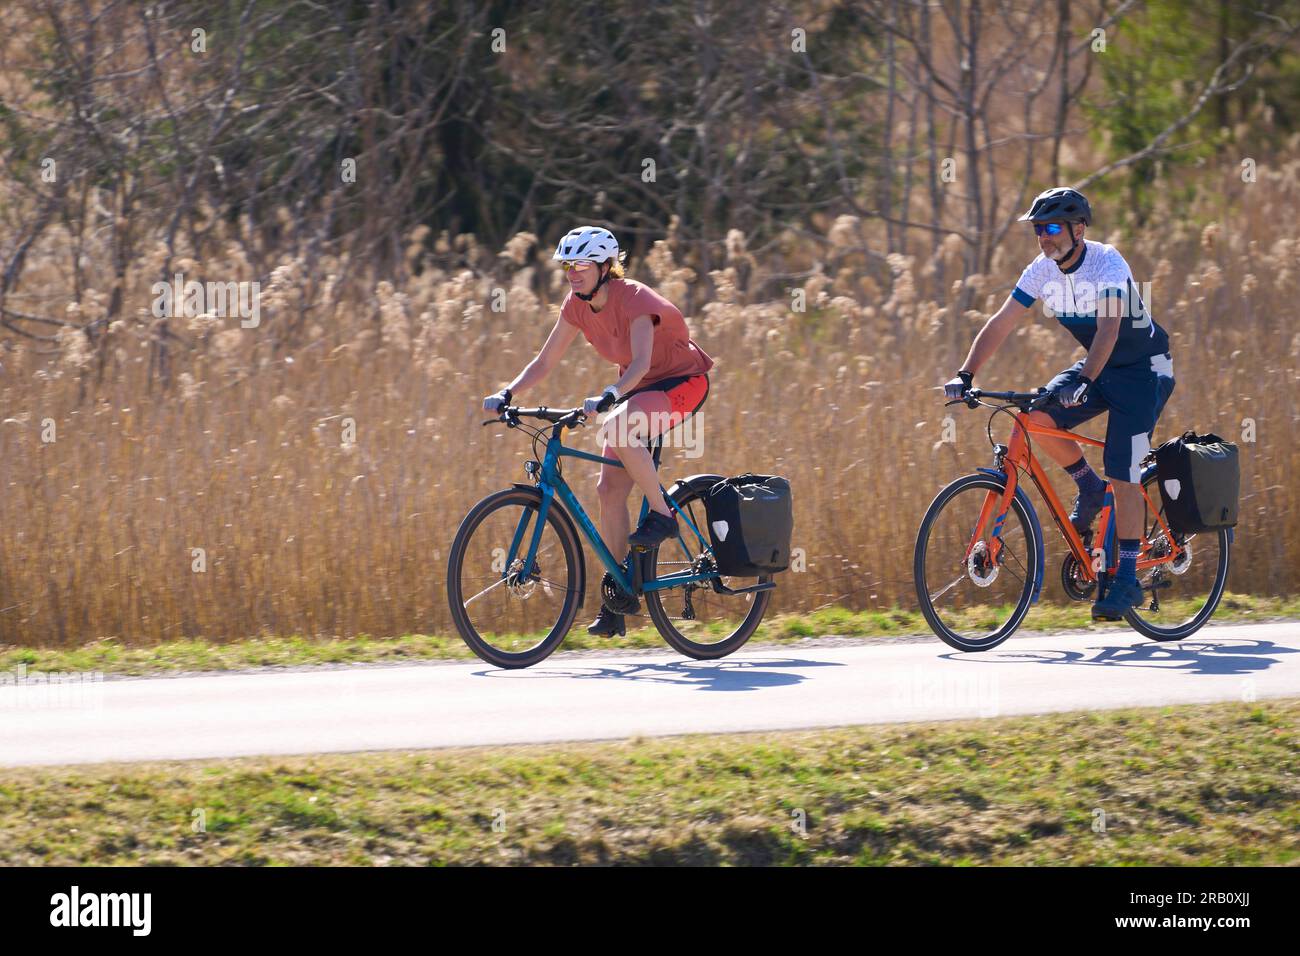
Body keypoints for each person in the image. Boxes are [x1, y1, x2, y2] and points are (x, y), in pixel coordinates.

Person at [943, 187, 1175, 621]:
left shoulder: (1107, 262)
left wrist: (1086, 380)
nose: (1044, 238)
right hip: (1100, 368)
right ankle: (1087, 485)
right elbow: (1002, 322)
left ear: (1078, 229)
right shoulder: (1041, 270)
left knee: (1123, 469)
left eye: (1051, 228)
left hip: (1145, 371)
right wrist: (966, 373)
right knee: (1036, 416)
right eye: (1037, 230)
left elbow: (1108, 330)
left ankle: (1126, 576)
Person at [483, 225, 714, 636]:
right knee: (608, 491)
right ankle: (619, 595)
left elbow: (641, 363)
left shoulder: (635, 299)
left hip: (680, 382)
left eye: (582, 264)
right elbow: (544, 362)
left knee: (619, 424)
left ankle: (663, 516)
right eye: (568, 265)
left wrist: (610, 394)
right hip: (638, 389)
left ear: (606, 267)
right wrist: (507, 392)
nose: (573, 272)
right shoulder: (575, 306)